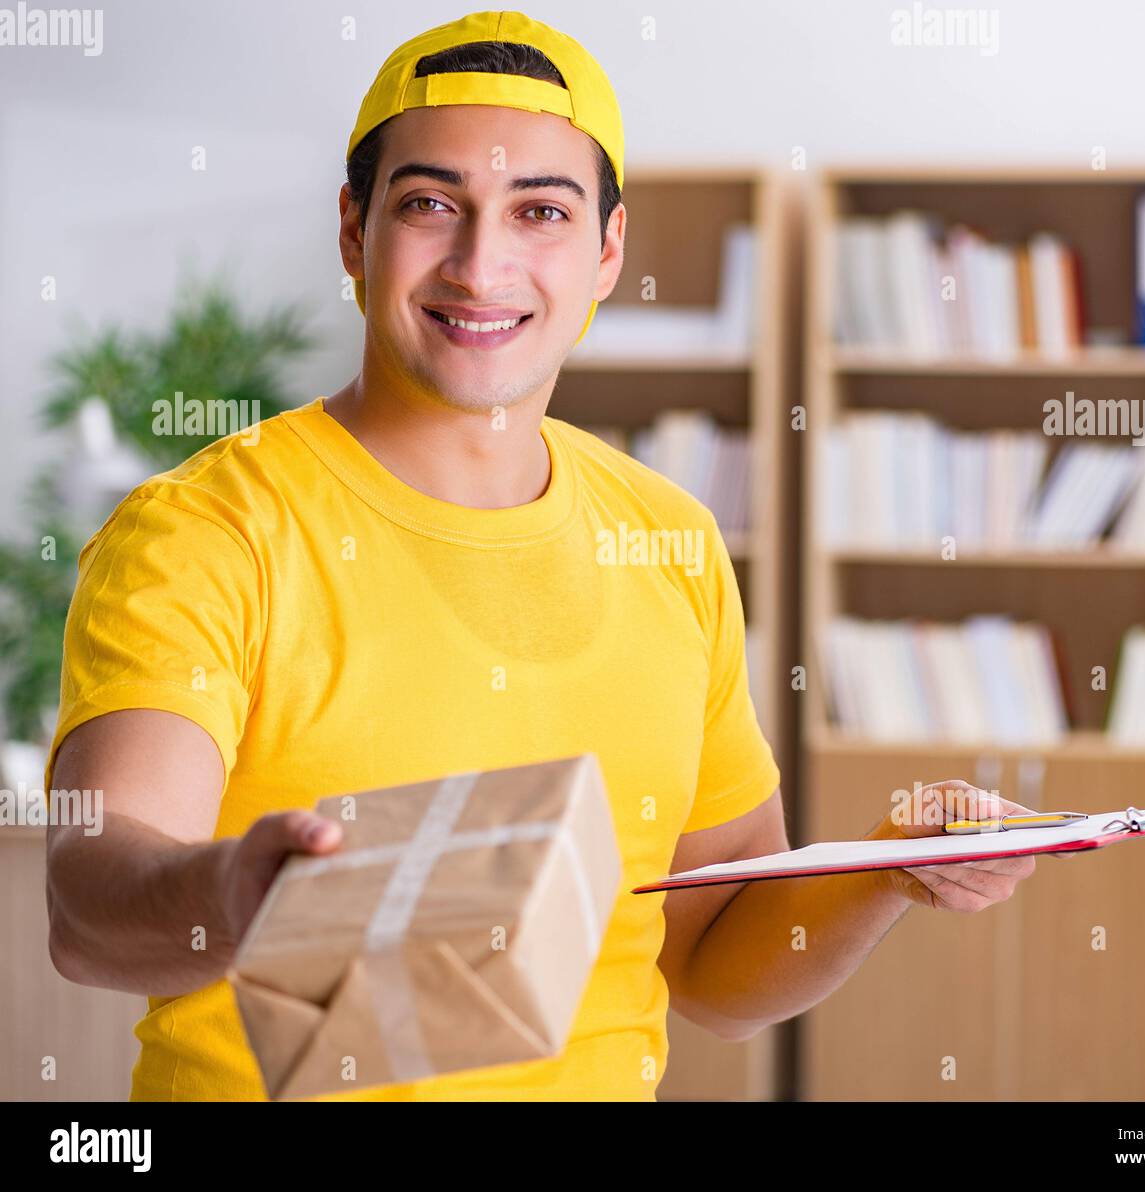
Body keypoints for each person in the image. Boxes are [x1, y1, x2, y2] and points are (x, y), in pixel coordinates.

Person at [43, 9, 1037, 1102]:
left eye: (539, 212)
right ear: (351, 232)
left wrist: (888, 864)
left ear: (608, 251)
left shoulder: (671, 541)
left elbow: (707, 957)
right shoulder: (205, 531)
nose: (481, 264)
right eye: (430, 204)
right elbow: (91, 908)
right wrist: (236, 890)